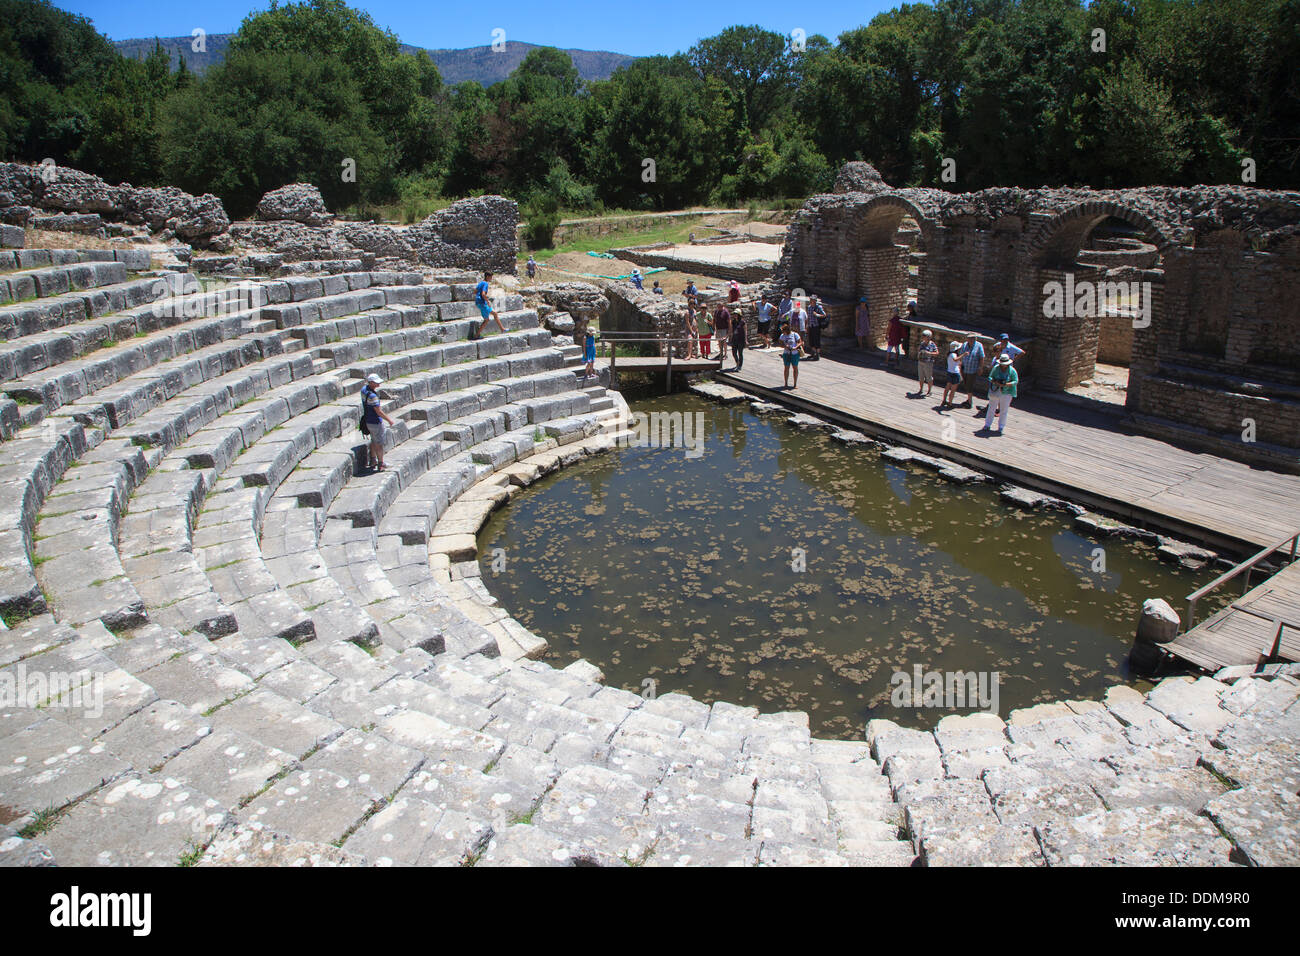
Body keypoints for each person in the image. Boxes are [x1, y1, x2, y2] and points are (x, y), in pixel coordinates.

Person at [360, 373, 394, 471]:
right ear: (370, 382)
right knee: (379, 443)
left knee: (373, 440)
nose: (378, 384)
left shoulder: (363, 390)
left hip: (367, 420)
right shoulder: (373, 396)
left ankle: (373, 460)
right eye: (376, 383)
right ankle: (381, 464)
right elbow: (378, 411)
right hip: (375, 422)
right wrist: (389, 420)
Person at [982, 352, 1018, 433]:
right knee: (991, 408)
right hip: (996, 390)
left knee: (1003, 410)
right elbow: (990, 377)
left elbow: (1015, 381)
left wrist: (1006, 384)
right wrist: (995, 382)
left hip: (1007, 392)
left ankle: (1001, 427)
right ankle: (987, 424)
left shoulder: (1012, 371)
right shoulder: (996, 368)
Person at [474, 271, 506, 339]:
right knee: (494, 315)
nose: (491, 278)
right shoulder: (485, 283)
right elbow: (483, 294)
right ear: (487, 277)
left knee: (487, 319)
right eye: (491, 277)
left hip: (478, 302)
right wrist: (487, 300)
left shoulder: (481, 283)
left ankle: (502, 329)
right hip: (483, 303)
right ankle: (502, 329)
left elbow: (475, 291)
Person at [959, 331, 985, 410]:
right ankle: (969, 399)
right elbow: (961, 354)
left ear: (975, 339)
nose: (970, 340)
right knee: (966, 384)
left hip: (972, 369)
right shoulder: (964, 345)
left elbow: (981, 357)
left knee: (969, 385)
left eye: (972, 338)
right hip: (964, 368)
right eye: (969, 338)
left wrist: (980, 367)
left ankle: (970, 402)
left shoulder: (979, 345)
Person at [778, 321, 803, 389]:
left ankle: (795, 384)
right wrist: (784, 346)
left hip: (794, 353)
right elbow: (780, 343)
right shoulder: (782, 336)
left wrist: (795, 347)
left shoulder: (795, 334)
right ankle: (786, 383)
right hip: (786, 353)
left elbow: (800, 342)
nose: (783, 333)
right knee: (786, 368)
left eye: (783, 331)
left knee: (795, 368)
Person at [916, 328, 939, 396]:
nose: (923, 337)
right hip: (921, 362)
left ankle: (929, 391)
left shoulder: (932, 344)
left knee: (928, 377)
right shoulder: (922, 343)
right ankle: (921, 389)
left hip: (928, 363)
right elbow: (919, 350)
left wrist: (929, 353)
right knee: (921, 377)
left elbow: (937, 353)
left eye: (924, 335)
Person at [941, 341, 963, 407]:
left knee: (947, 387)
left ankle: (944, 400)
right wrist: (964, 354)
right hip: (955, 373)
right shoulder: (953, 354)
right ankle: (950, 403)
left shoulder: (949, 354)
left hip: (950, 372)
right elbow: (955, 360)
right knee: (953, 390)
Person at [807, 295, 827, 359]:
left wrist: (817, 315)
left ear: (815, 301)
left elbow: (824, 315)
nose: (811, 301)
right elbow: (808, 317)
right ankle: (813, 353)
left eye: (812, 300)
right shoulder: (809, 307)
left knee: (816, 340)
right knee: (811, 340)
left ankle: (817, 354)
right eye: (810, 299)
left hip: (816, 326)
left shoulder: (818, 307)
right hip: (810, 325)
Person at [731, 306, 748, 370]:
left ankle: (740, 365)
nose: (735, 315)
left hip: (741, 339)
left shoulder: (742, 322)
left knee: (740, 353)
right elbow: (731, 330)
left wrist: (746, 340)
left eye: (736, 314)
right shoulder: (733, 322)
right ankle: (737, 362)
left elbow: (745, 331)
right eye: (734, 314)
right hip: (735, 339)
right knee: (734, 352)